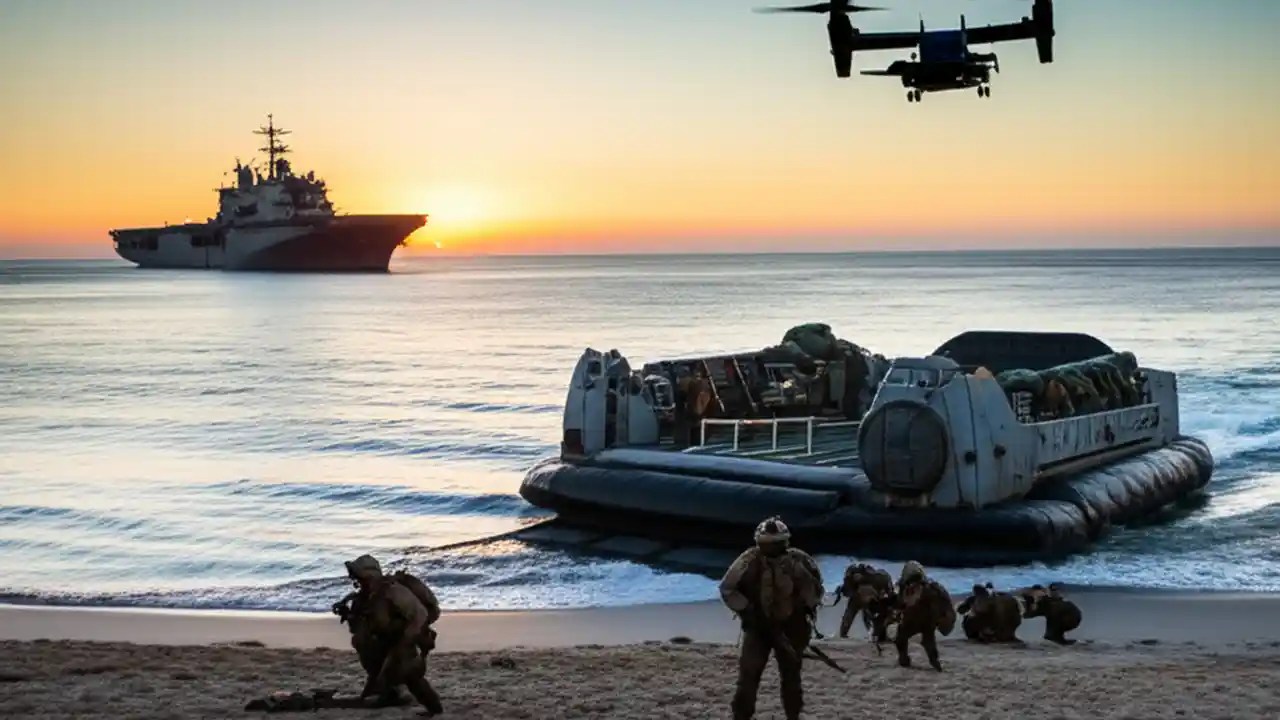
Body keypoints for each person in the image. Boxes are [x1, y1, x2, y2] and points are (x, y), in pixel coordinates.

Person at [719, 516, 824, 720]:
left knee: (791, 676)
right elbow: (728, 588)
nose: (773, 548)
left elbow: (815, 588)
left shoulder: (799, 561)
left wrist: (804, 608)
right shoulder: (749, 560)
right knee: (749, 676)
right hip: (758, 627)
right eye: (769, 544)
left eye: (777, 543)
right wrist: (747, 610)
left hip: (792, 627)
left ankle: (792, 715)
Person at [336, 555, 444, 716]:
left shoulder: (393, 591)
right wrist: (349, 615)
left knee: (410, 675)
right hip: (380, 643)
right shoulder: (362, 598)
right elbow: (357, 629)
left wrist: (407, 639)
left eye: (360, 577)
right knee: (363, 645)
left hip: (403, 640)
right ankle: (387, 692)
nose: (357, 581)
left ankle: (434, 708)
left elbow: (420, 614)